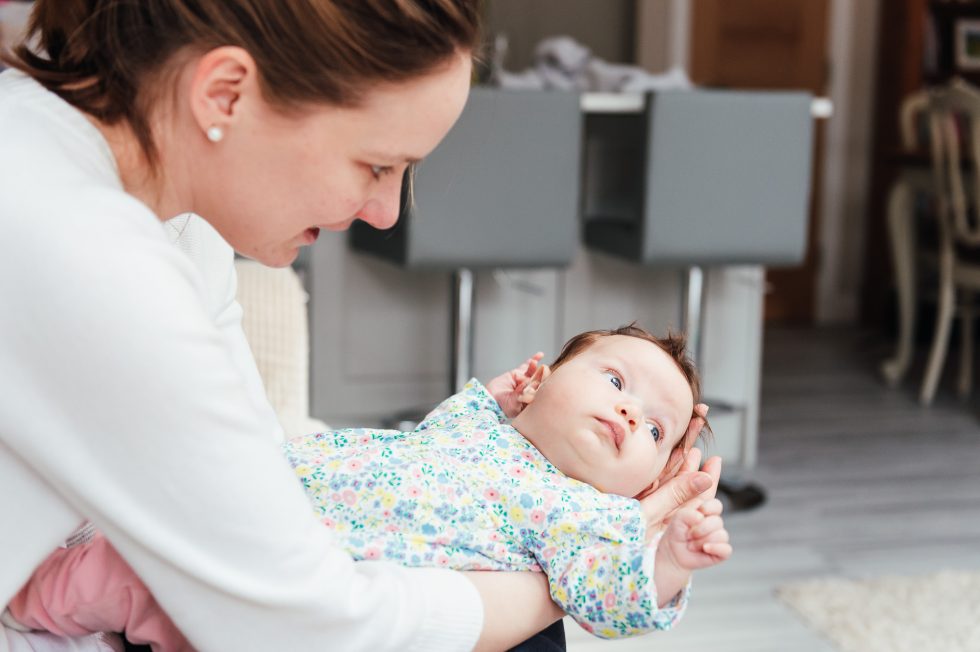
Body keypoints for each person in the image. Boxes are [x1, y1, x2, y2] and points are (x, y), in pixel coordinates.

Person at [0, 1, 720, 650]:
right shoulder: (83, 248)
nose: (388, 213)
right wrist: (569, 574)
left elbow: (256, 461)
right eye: (377, 164)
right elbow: (305, 622)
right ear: (224, 94)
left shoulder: (181, 224)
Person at [5, 325, 729, 650]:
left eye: (658, 431)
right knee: (149, 531)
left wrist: (665, 561)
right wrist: (496, 396)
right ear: (541, 379)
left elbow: (606, 598)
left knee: (128, 581)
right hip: (273, 493)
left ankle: (29, 600)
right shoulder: (483, 424)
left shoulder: (579, 515)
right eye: (614, 379)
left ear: (646, 479)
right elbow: (437, 435)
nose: (632, 411)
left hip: (312, 578)